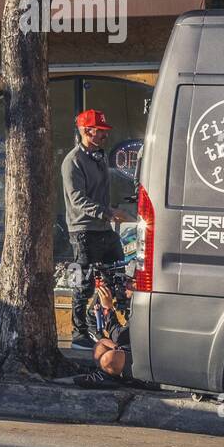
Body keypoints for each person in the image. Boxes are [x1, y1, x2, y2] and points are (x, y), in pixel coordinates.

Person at [62, 109, 135, 352]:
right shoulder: (72, 161)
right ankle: (78, 334)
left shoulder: (99, 157)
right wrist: (109, 212)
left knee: (118, 274)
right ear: (85, 131)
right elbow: (77, 200)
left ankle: (120, 327)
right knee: (83, 282)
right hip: (82, 230)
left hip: (104, 227)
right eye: (100, 131)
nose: (105, 135)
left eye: (105, 131)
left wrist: (113, 210)